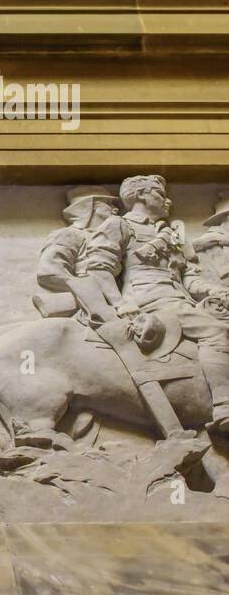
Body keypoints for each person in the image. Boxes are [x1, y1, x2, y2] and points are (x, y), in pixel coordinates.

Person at [81, 174, 229, 435]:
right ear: (140, 195)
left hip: (179, 298)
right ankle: (224, 407)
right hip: (149, 298)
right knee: (215, 331)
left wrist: (216, 290)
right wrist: (120, 302)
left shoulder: (170, 234)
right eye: (160, 194)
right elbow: (99, 268)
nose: (168, 200)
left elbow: (190, 278)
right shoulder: (119, 224)